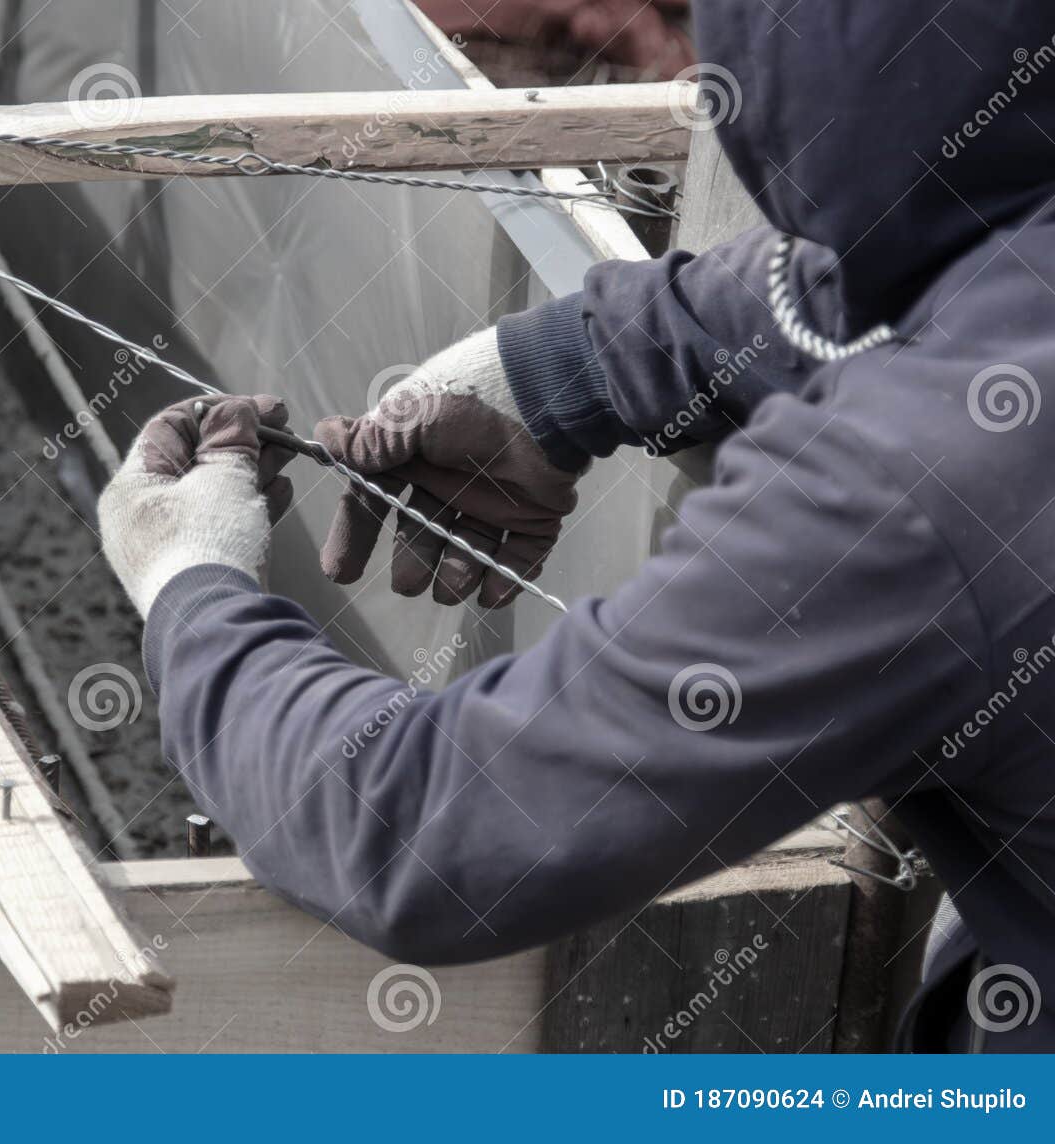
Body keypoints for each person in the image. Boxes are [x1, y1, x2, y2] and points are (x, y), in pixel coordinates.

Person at [98, 1, 1055, 1050]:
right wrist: (556, 371)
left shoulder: (924, 493)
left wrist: (191, 588)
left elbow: (419, 830)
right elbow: (867, 292)